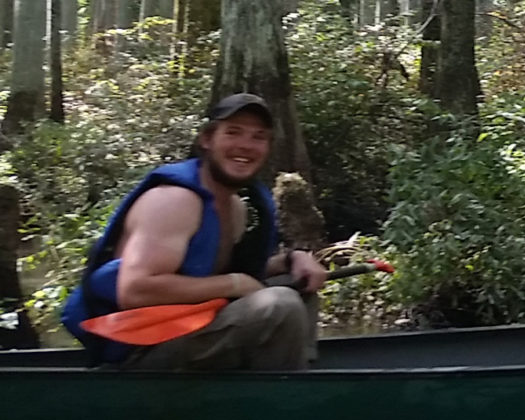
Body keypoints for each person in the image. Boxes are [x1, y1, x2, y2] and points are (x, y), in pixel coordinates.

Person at [60, 93, 327, 370]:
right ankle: (288, 401)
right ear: (207, 140)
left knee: (295, 284)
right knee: (278, 305)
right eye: (233, 132)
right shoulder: (173, 201)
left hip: (193, 326)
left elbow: (203, 272)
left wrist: (292, 259)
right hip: (143, 349)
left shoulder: (235, 206)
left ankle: (293, 376)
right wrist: (235, 284)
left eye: (258, 137)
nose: (246, 145)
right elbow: (135, 290)